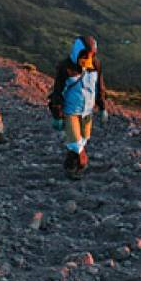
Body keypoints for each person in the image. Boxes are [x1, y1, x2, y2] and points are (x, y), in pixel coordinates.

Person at [48, 35, 108, 178]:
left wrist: (102, 107)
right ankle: (82, 161)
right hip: (71, 111)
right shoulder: (65, 68)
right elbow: (57, 92)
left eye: (91, 54)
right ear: (77, 52)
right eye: (85, 54)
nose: (88, 58)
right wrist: (57, 115)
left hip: (87, 111)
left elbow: (99, 87)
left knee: (84, 138)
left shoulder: (95, 65)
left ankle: (70, 166)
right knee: (75, 142)